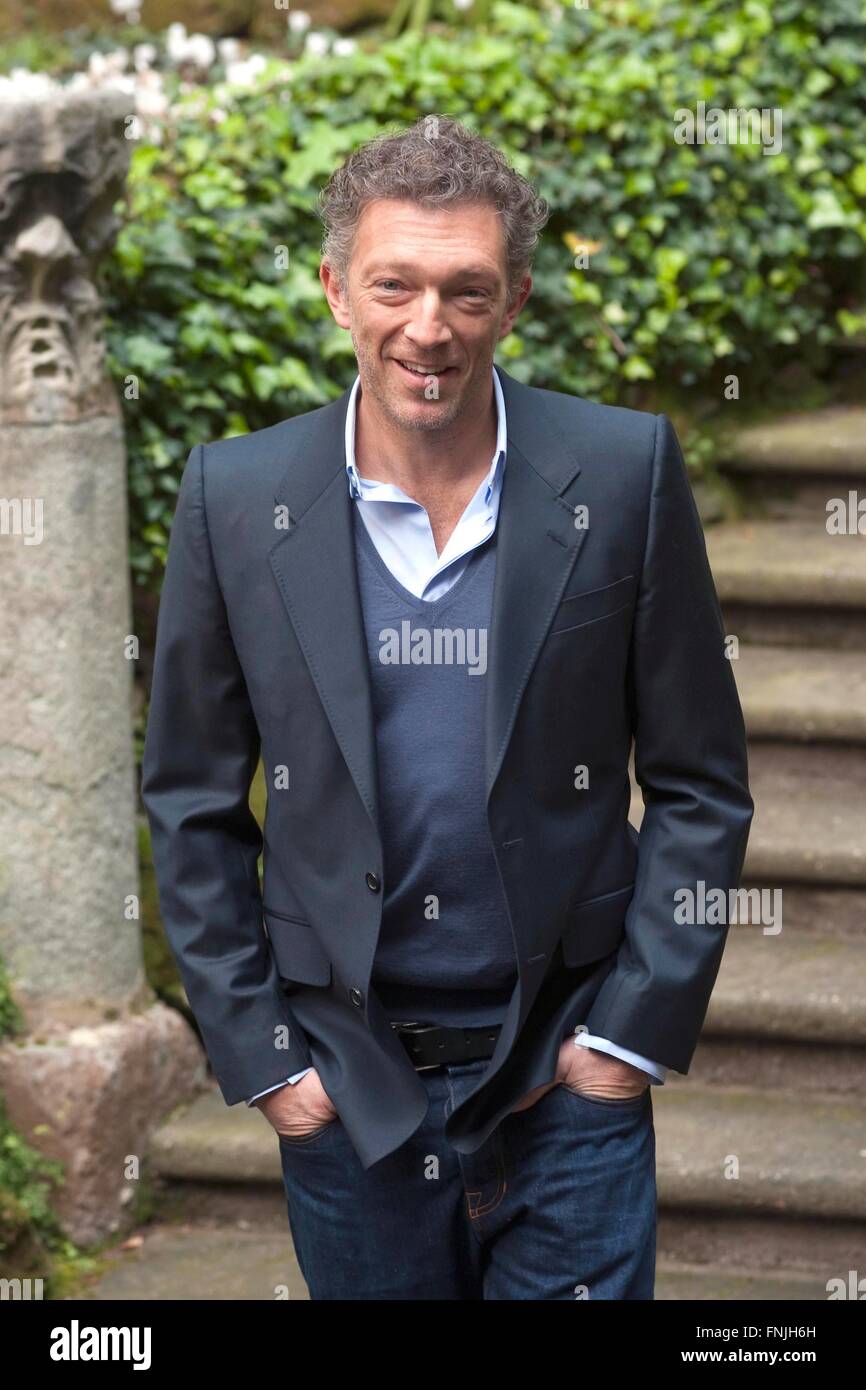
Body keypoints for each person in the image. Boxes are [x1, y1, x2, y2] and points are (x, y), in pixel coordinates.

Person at [140, 115, 753, 1300]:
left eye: (467, 292)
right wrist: (274, 1067)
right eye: (394, 285)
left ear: (514, 299)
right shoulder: (235, 496)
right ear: (334, 291)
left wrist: (622, 1043)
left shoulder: (622, 476)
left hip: (566, 1078)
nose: (430, 327)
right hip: (347, 1091)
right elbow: (190, 801)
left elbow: (698, 779)